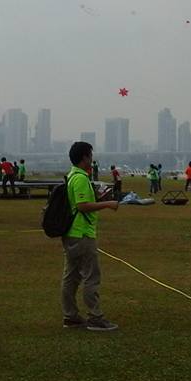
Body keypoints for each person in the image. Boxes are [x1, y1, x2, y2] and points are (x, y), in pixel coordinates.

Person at [61, 141, 120, 331]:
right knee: (91, 276)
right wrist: (108, 204)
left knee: (71, 276)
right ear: (84, 157)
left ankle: (70, 316)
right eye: (90, 155)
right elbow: (82, 206)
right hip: (82, 234)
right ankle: (95, 318)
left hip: (73, 233)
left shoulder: (74, 176)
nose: (92, 159)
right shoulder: (79, 178)